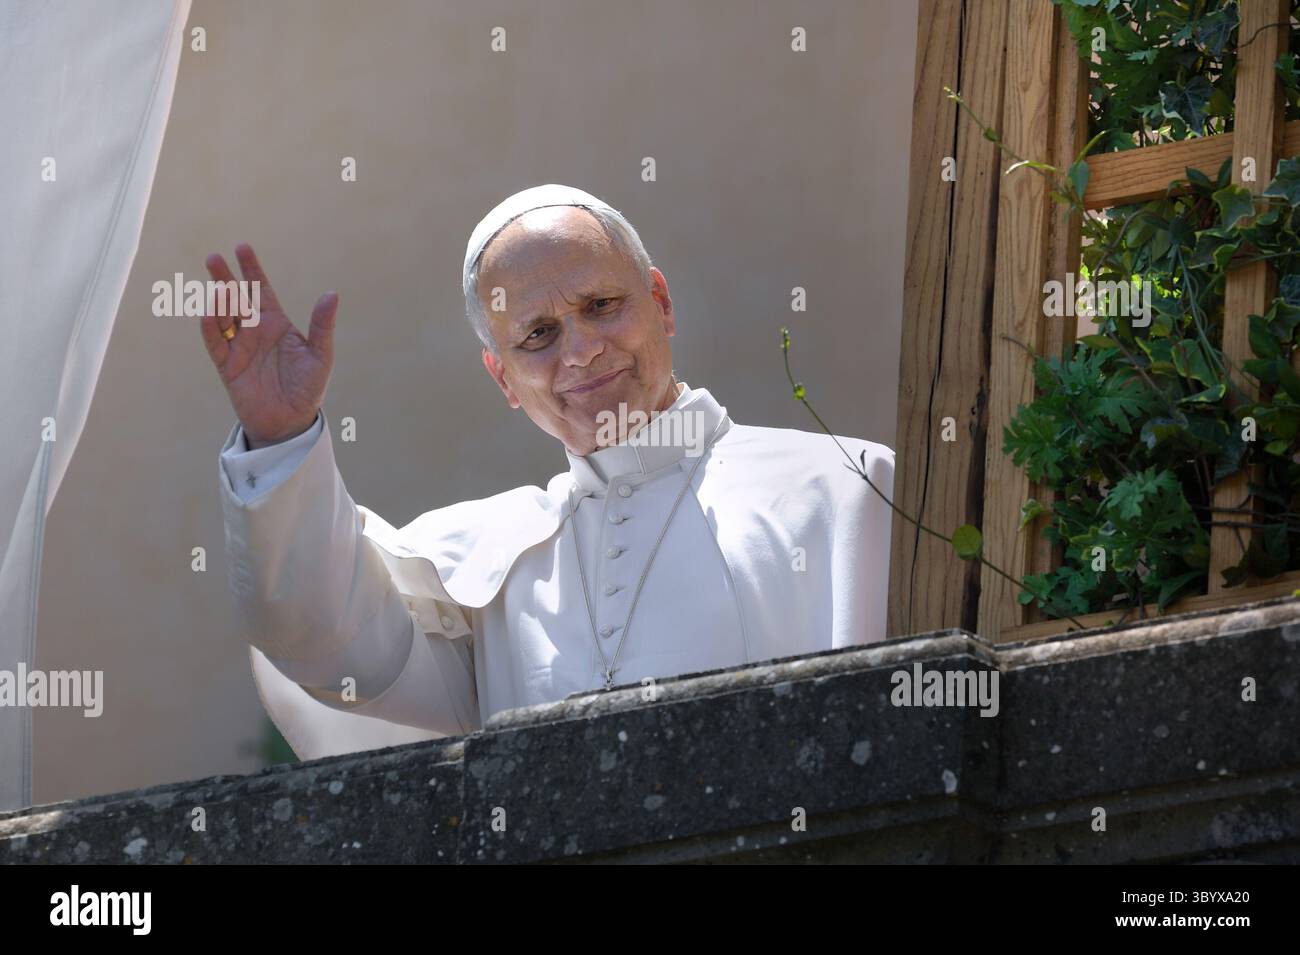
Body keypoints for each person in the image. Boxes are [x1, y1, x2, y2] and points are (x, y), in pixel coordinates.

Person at [201, 184, 895, 760]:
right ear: (503, 378)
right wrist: (282, 437)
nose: (583, 350)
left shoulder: (840, 487)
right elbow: (329, 642)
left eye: (602, 305)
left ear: (661, 302)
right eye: (538, 335)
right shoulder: (492, 574)